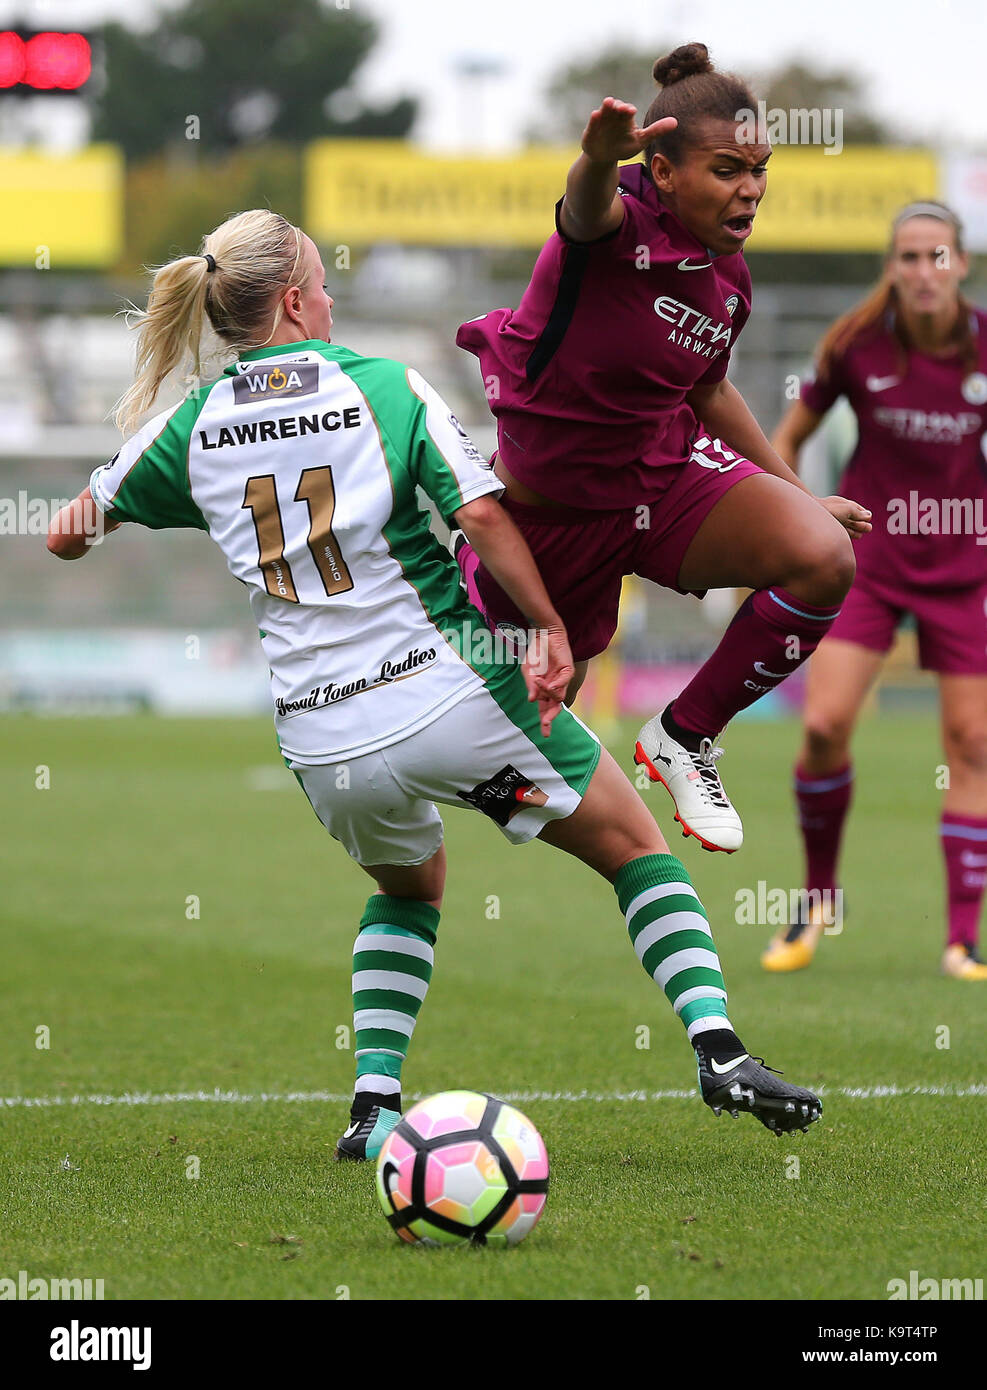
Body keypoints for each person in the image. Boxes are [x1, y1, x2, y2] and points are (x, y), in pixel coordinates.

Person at [47, 209, 822, 1161]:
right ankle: (719, 1050)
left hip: (324, 745)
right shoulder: (382, 386)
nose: (331, 297)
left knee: (409, 890)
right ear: (293, 301)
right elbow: (484, 517)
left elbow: (72, 526)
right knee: (632, 846)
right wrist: (543, 630)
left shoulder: (190, 426)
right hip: (452, 696)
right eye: (323, 284)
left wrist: (89, 522)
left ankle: (372, 1105)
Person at [454, 41, 871, 856]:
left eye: (759, 169)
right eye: (726, 168)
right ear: (665, 172)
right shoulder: (610, 229)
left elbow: (709, 391)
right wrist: (593, 162)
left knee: (821, 556)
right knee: (504, 765)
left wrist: (794, 493)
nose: (749, 188)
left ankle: (682, 737)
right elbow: (583, 210)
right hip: (550, 523)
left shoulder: (729, 280)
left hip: (661, 482)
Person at [765, 201, 987, 980]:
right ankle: (817, 897)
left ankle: (962, 939)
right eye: (907, 257)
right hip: (867, 558)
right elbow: (784, 438)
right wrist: (798, 519)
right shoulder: (855, 346)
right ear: (890, 267)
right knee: (823, 724)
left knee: (970, 746)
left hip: (965, 571)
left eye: (936, 256)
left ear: (960, 263)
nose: (921, 271)